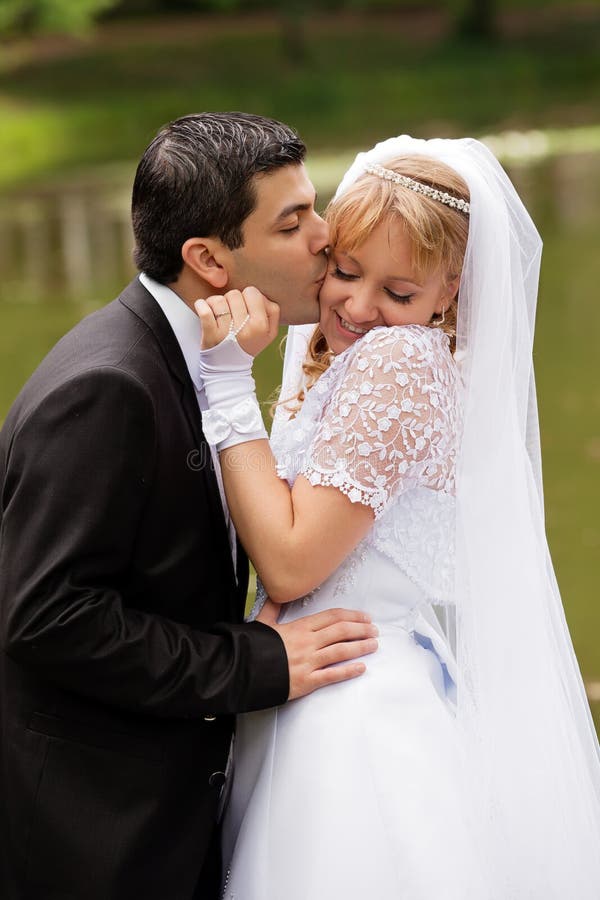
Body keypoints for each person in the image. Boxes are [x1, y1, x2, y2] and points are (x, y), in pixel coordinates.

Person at [196, 135, 600, 898]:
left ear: (449, 291)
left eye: (399, 292)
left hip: (353, 708)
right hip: (330, 675)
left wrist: (225, 379)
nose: (359, 307)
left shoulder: (401, 363)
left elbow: (292, 561)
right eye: (346, 272)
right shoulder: (354, 356)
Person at [0, 113, 379, 900]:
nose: (326, 236)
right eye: (292, 223)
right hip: (95, 842)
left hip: (176, 818)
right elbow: (46, 618)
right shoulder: (107, 388)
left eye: (314, 207)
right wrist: (255, 663)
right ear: (208, 259)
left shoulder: (209, 355)